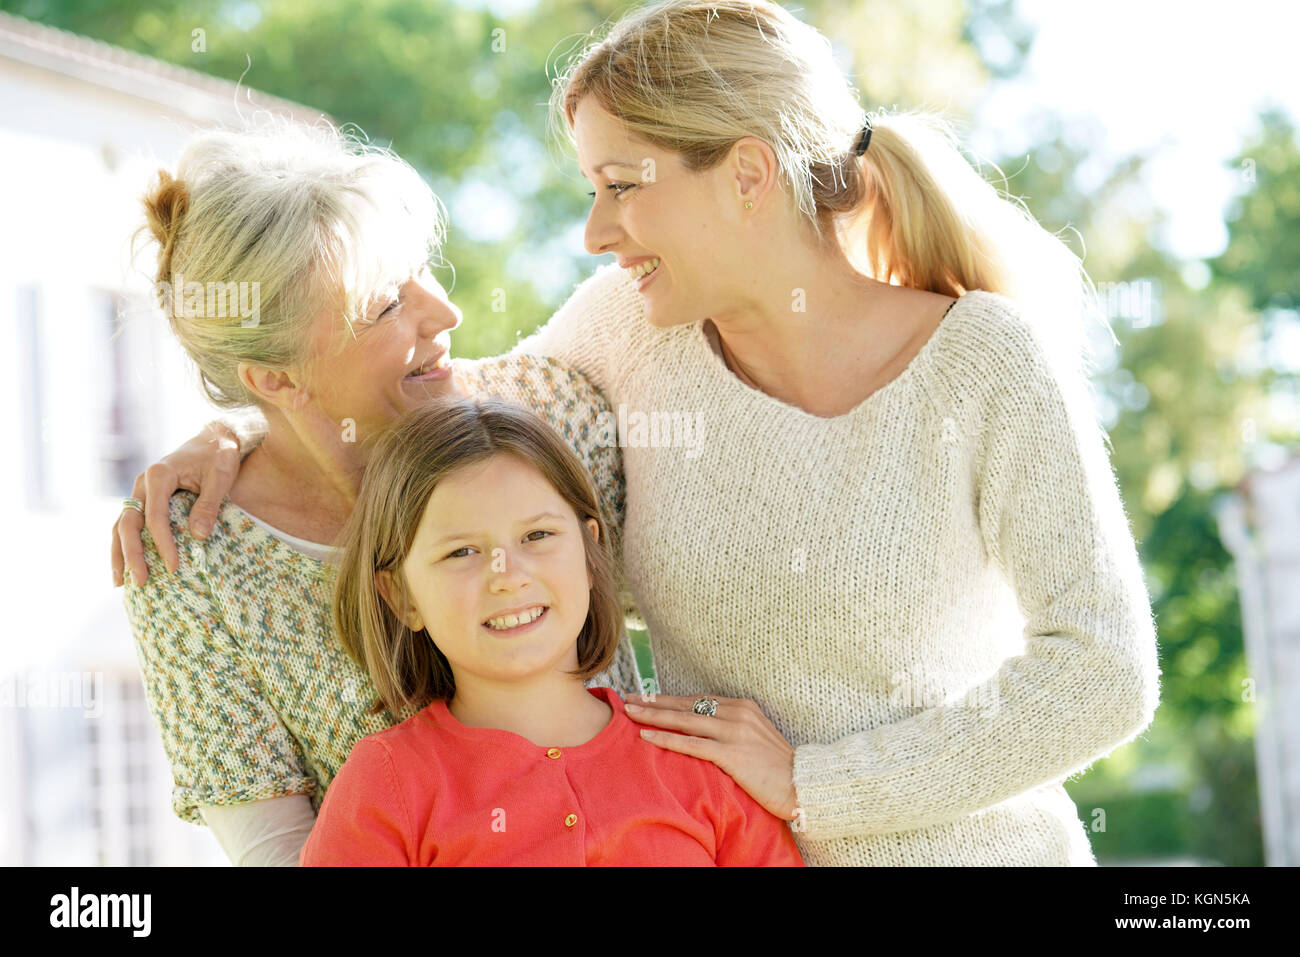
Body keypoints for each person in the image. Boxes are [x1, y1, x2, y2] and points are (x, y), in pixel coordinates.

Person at [118, 0, 1162, 866]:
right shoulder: (629, 329)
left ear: (749, 175)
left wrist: (815, 786)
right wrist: (229, 435)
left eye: (622, 187)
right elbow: (441, 407)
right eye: (590, 189)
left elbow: (1104, 673)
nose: (594, 232)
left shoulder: (984, 362)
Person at [117, 120, 641, 866]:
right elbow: (277, 854)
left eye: (423, 272)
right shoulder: (191, 555)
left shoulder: (549, 416)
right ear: (275, 378)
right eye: (387, 305)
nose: (446, 315)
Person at [300, 398, 805, 865]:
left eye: (537, 535)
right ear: (403, 597)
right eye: (461, 552)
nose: (508, 575)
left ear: (589, 554)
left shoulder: (699, 757)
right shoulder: (387, 784)